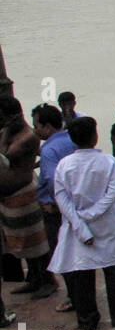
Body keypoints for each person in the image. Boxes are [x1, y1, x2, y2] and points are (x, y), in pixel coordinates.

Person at [49, 117, 115, 330]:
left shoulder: (64, 165)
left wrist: (80, 222)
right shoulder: (108, 161)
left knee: (83, 272)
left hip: (79, 226)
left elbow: (62, 199)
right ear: (95, 136)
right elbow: (112, 194)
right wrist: (92, 215)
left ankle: (87, 320)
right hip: (106, 224)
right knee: (112, 273)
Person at [0, 96, 53, 298]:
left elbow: (5, 158)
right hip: (9, 199)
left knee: (37, 242)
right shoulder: (8, 133)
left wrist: (5, 134)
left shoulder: (27, 136)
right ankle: (34, 278)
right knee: (22, 243)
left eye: (4, 118)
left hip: (25, 194)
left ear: (14, 116)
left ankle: (48, 280)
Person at [33, 104, 77, 306]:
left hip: (55, 208)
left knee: (61, 252)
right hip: (77, 203)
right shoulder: (73, 139)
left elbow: (51, 180)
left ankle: (73, 297)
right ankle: (81, 294)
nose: (35, 131)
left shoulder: (49, 149)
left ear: (48, 127)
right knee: (78, 252)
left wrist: (58, 204)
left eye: (37, 126)